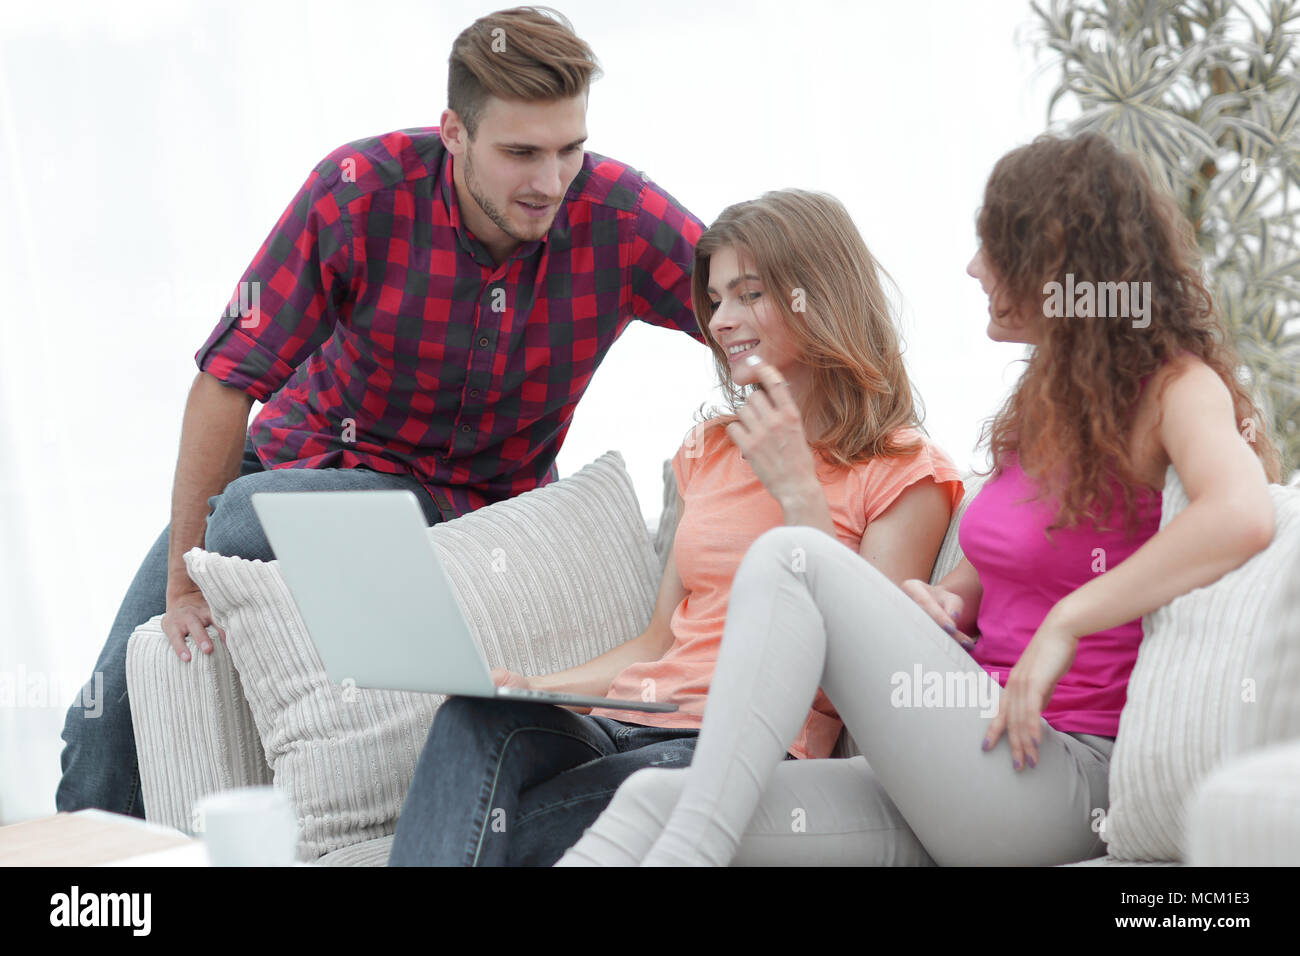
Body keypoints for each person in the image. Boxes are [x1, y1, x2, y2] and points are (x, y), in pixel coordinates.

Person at [556, 131, 1281, 868]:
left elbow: (1243, 513)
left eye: (992, 248)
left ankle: (696, 856)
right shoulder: (1044, 406)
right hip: (966, 753)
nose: (973, 268)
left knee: (791, 558)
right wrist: (952, 602)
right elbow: (1001, 561)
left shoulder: (1177, 387)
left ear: (1054, 263)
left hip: (1062, 777)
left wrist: (1070, 620)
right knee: (647, 803)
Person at [56, 6, 712, 818]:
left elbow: (753, 311)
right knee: (101, 718)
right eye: (521, 153)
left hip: (470, 505)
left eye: (569, 149)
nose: (550, 181)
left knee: (246, 519)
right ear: (455, 133)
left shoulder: (620, 216)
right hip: (302, 465)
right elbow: (226, 379)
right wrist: (184, 580)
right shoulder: (358, 192)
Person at [386, 188, 968, 866]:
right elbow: (657, 641)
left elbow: (866, 675)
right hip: (631, 722)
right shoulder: (709, 450)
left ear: (821, 297)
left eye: (749, 294)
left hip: (736, 746)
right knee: (472, 720)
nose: (722, 321)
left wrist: (797, 492)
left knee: (516, 830)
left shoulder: (903, 471)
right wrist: (535, 683)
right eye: (716, 299)